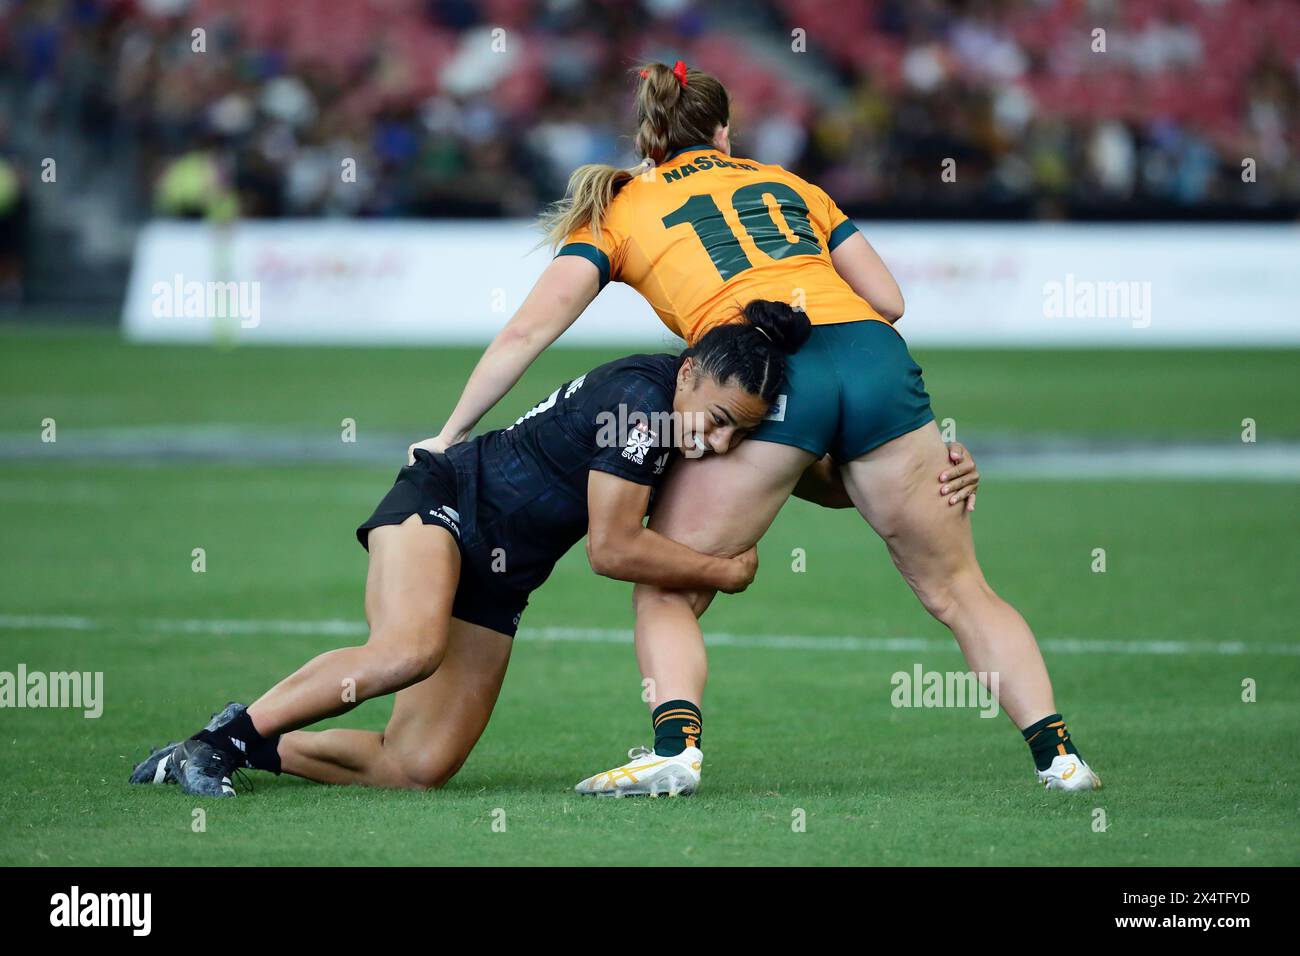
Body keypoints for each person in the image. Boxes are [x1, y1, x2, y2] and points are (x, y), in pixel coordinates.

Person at [411, 60, 1098, 796]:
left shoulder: (619, 206)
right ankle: (1059, 759)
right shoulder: (792, 185)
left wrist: (448, 432)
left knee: (667, 584)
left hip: (758, 370)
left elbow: (524, 335)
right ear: (724, 132)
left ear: (648, 135)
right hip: (873, 359)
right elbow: (889, 300)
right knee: (961, 589)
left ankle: (675, 749)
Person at [132, 301, 814, 796]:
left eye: (739, 436)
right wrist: (722, 570)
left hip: (500, 576)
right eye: (720, 423)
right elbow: (610, 550)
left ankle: (253, 738)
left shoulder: (675, 406)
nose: (719, 444)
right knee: (409, 649)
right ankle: (215, 746)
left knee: (416, 766)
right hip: (444, 504)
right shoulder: (640, 406)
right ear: (689, 372)